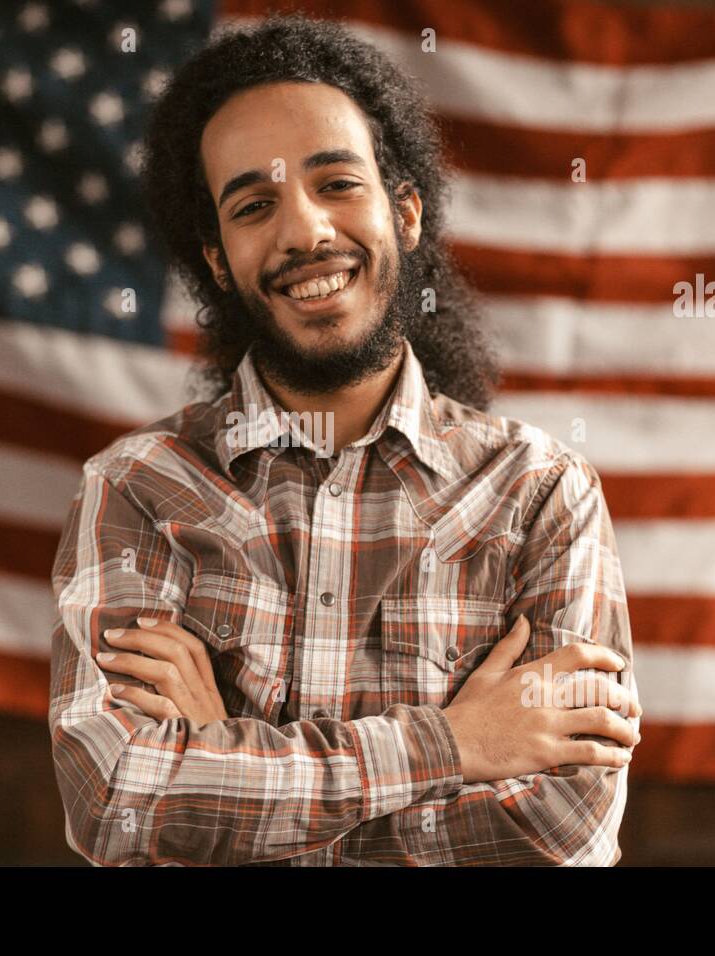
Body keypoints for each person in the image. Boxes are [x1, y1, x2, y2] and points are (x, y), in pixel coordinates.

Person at [49, 13, 640, 866]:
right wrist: (456, 743)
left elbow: (562, 828)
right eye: (255, 205)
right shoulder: (138, 489)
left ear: (405, 212)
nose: (304, 232)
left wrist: (225, 759)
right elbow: (115, 805)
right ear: (219, 262)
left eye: (336, 184)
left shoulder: (541, 491)